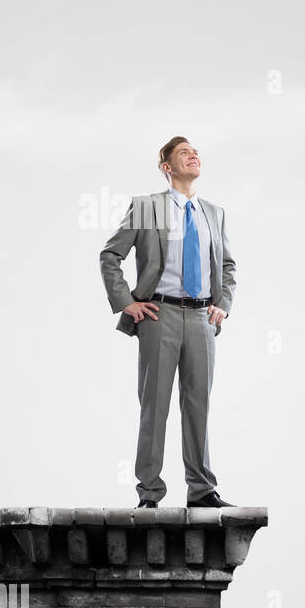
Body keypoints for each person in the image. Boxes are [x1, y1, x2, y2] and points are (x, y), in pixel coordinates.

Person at [99, 136, 237, 509]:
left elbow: (227, 265)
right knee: (154, 405)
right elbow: (111, 255)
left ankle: (203, 490)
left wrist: (222, 304)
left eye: (195, 151)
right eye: (183, 153)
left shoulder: (214, 212)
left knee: (199, 406)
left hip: (202, 318)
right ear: (167, 167)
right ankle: (149, 493)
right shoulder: (149, 208)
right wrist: (126, 302)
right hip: (159, 314)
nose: (193, 155)